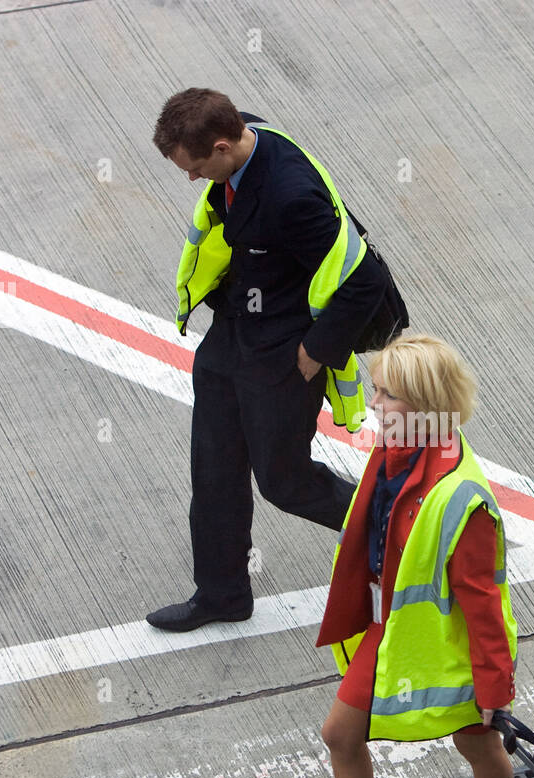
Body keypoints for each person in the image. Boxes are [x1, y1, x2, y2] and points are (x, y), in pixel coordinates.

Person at [148, 89, 389, 632]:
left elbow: (365, 281)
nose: (192, 180)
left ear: (223, 144)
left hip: (283, 351)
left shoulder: (290, 196)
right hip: (234, 334)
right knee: (213, 471)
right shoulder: (244, 137)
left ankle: (401, 533)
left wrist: (314, 352)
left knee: (286, 482)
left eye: (196, 168)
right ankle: (222, 593)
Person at [311, 335, 519, 778]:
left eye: (388, 396)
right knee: (340, 733)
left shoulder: (461, 499)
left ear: (426, 408)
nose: (374, 405)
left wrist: (494, 686)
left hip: (450, 651)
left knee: (477, 745)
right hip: (394, 635)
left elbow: (484, 606)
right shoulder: (394, 452)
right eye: (377, 391)